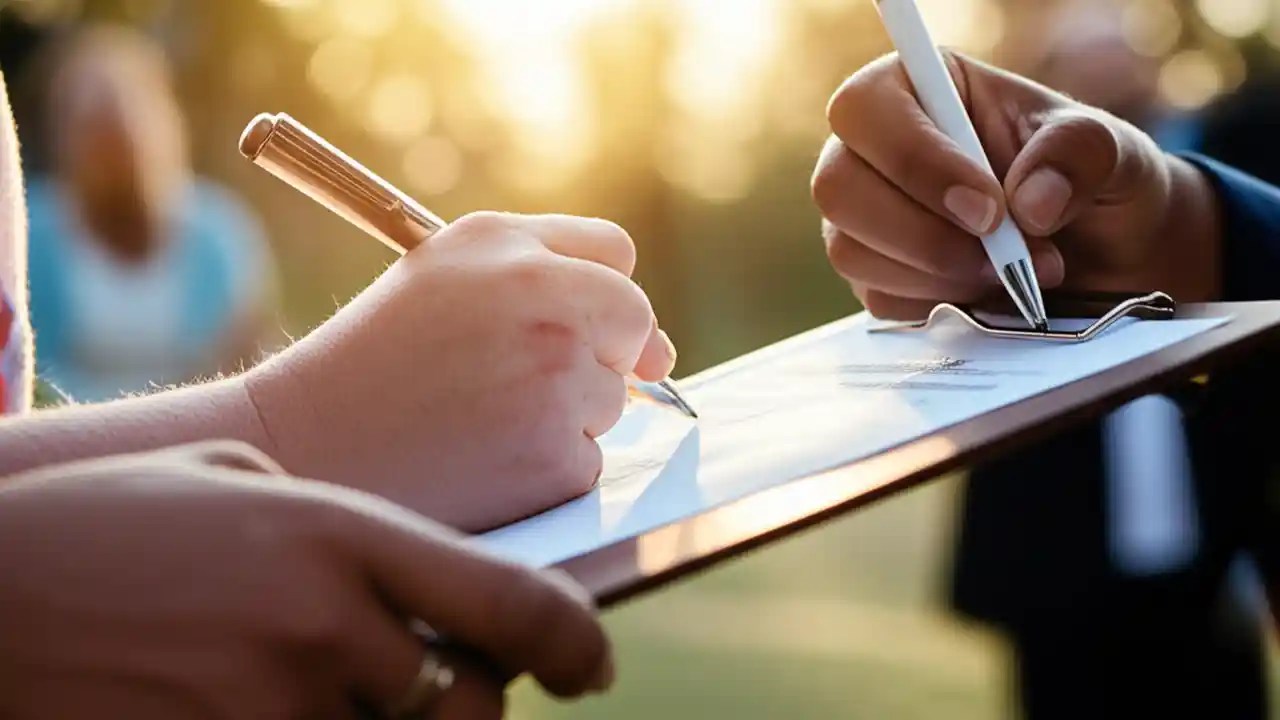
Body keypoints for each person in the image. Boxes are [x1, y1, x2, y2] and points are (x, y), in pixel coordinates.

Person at [0, 53, 678, 718]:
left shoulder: (213, 235)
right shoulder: (51, 232)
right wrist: (292, 421)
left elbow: (245, 342)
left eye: (125, 118)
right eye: (90, 123)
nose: (112, 141)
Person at [811, 51, 1280, 718]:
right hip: (1061, 591)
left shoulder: (1237, 135)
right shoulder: (1006, 164)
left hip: (1210, 582)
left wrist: (1193, 230)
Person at [938, 4, 1268, 717]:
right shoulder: (1007, 197)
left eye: (1119, 45)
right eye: (1084, 49)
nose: (1106, 63)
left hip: (1210, 576)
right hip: (1064, 579)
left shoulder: (1224, 159)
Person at [25, 27, 276, 401]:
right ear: (64, 139)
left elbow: (252, 359)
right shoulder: (29, 235)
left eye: (123, 130)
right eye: (94, 130)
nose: (114, 153)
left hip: (201, 433)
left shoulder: (221, 234)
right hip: (67, 441)